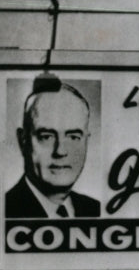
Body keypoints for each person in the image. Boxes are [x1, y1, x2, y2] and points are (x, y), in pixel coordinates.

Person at [5, 82, 100, 218]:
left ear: (86, 141)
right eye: (47, 137)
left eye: (73, 137)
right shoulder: (0, 212)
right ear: (23, 141)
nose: (60, 151)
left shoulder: (95, 210)